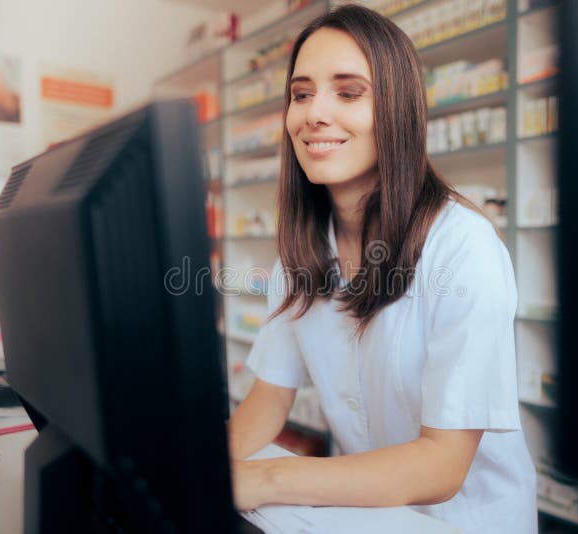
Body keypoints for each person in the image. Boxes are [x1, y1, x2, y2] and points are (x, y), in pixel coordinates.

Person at [227, 5, 537, 533]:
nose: (313, 114)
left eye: (348, 92)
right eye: (301, 94)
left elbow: (442, 464)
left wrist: (266, 479)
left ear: (397, 110)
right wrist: (196, 469)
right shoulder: (301, 253)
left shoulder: (463, 246)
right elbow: (268, 397)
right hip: (368, 518)